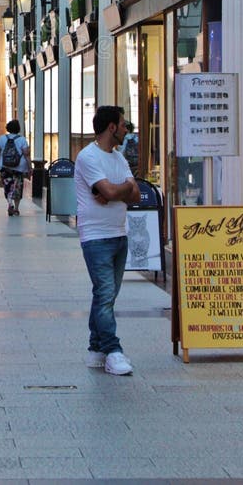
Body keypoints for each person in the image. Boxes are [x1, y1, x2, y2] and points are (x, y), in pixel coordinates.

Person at [74, 105, 141, 375]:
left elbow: (135, 195)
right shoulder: (87, 157)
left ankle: (96, 349)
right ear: (112, 128)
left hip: (118, 234)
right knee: (104, 295)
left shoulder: (118, 157)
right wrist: (119, 190)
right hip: (95, 237)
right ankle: (113, 351)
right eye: (123, 124)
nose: (127, 129)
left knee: (106, 295)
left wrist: (117, 191)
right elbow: (116, 190)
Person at [0, 120, 32, 216]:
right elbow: (26, 155)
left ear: (8, 128)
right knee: (18, 187)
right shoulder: (22, 139)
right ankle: (16, 208)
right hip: (19, 167)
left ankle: (10, 204)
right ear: (18, 129)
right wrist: (30, 168)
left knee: (7, 186)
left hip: (5, 166)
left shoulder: (2, 138)